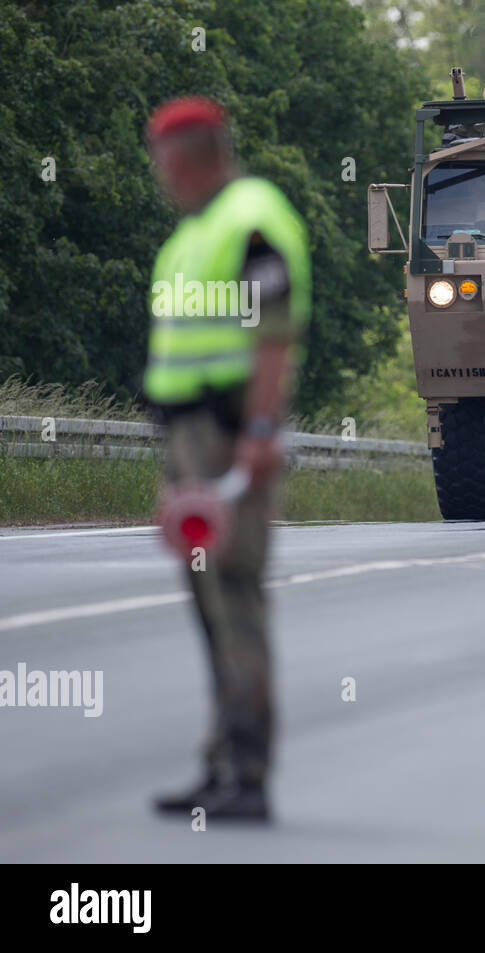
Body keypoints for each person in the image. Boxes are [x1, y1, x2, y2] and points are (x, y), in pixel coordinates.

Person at [144, 96, 310, 821]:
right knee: (208, 606)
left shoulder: (249, 219)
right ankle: (220, 764)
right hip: (190, 443)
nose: (158, 175)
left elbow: (272, 333)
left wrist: (261, 430)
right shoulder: (193, 233)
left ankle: (249, 770)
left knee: (234, 596)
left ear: (188, 156)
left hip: (228, 435)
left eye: (162, 160)